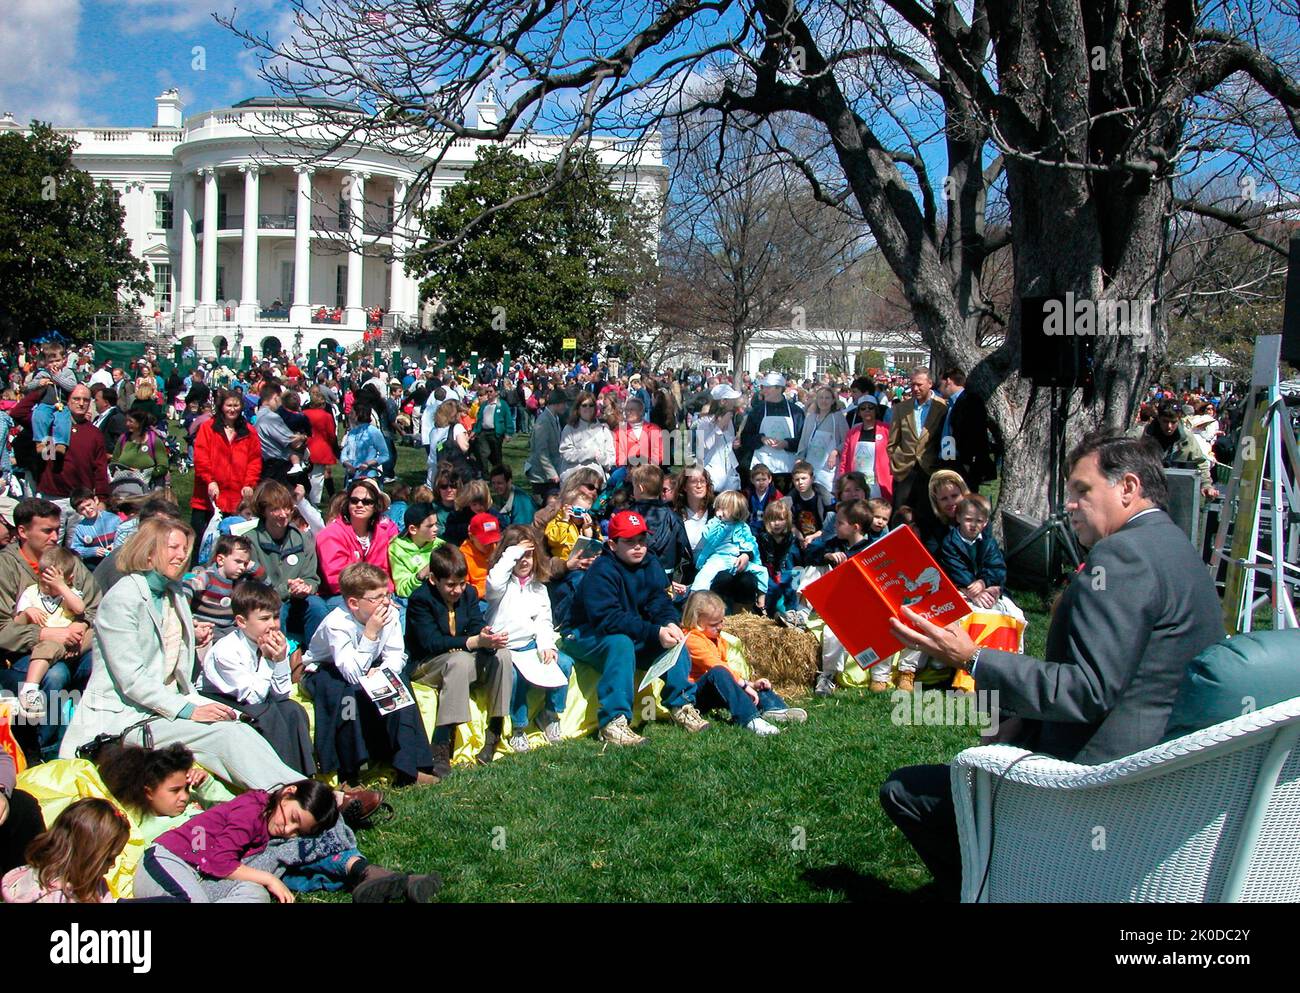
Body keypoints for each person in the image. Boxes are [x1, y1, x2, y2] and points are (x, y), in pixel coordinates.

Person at [879, 432, 1226, 898]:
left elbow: (1087, 691)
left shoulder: (1121, 555)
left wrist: (972, 656)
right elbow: (1124, 677)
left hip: (1093, 788)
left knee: (904, 790)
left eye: (1083, 491)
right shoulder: (1177, 547)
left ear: (1127, 487)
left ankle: (994, 887)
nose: (1070, 506)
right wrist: (1019, 717)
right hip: (1160, 777)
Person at [59, 517, 307, 791]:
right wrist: (190, 710)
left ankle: (298, 790)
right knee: (224, 735)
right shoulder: (123, 598)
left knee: (238, 727)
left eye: (184, 548)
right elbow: (132, 680)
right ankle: (296, 796)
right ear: (149, 551)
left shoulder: (173, 593)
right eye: (173, 548)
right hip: (128, 715)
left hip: (169, 703)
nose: (181, 555)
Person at [561, 510, 710, 747]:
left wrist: (669, 622)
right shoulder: (601, 571)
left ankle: (681, 705)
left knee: (676, 640)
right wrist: (653, 632)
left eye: (641, 540)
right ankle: (613, 722)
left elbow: (658, 601)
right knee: (621, 642)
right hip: (583, 632)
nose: (638, 547)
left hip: (626, 628)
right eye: (629, 541)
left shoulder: (649, 562)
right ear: (612, 544)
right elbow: (608, 619)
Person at [302, 563, 437, 788]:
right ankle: (350, 772)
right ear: (354, 603)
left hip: (371, 664)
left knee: (398, 682)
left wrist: (385, 671)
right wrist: (371, 633)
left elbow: (396, 655)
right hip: (327, 669)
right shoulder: (337, 624)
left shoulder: (389, 613)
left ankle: (409, 766)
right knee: (344, 694)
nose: (385, 601)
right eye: (376, 597)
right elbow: (351, 673)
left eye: (386, 594)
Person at [405, 544, 515, 775]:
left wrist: (486, 636)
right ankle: (442, 743)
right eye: (451, 585)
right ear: (434, 579)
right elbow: (430, 642)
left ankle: (495, 730)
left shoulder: (469, 594)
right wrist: (473, 642)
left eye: (462, 583)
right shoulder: (420, 600)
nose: (458, 590)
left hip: (461, 657)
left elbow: (474, 623)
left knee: (503, 655)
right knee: (460, 661)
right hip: (428, 664)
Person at [0, 499, 100, 752]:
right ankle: (45, 749)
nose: (55, 536)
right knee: (56, 676)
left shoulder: (67, 561)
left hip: (75, 647)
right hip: (19, 655)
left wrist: (79, 636)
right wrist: (45, 633)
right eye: (47, 531)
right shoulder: (6, 567)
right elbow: (2, 630)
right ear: (22, 532)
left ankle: (89, 739)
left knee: (101, 662)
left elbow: (96, 609)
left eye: (57, 529)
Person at [133, 780, 338, 903]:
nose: (287, 829)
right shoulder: (251, 811)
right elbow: (220, 862)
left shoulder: (272, 821)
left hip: (197, 879)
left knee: (255, 894)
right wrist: (269, 879)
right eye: (293, 818)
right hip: (166, 861)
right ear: (288, 792)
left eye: (298, 831)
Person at [200, 581, 316, 776]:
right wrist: (269, 661)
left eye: (276, 617)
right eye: (264, 618)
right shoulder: (226, 651)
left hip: (257, 699)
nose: (272, 625)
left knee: (292, 709)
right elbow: (252, 698)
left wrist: (279, 660)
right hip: (223, 700)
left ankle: (304, 774)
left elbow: (282, 693)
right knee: (267, 715)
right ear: (242, 621)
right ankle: (279, 778)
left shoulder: (277, 644)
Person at [484, 526, 574, 754]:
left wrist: (546, 645)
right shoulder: (500, 587)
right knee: (515, 677)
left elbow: (544, 621)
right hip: (505, 648)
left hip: (531, 645)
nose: (524, 561)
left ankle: (550, 714)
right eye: (519, 555)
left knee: (563, 663)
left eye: (528, 555)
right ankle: (518, 727)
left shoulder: (538, 588)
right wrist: (513, 552)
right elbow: (494, 581)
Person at [681, 591, 807, 736]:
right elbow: (716, 666)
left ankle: (775, 709)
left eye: (722, 621)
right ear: (696, 623)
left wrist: (751, 684)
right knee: (720, 672)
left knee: (754, 685)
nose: (721, 626)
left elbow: (728, 674)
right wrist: (745, 685)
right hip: (694, 696)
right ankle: (750, 719)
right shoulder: (691, 639)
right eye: (714, 624)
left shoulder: (717, 638)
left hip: (714, 688)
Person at [11, 383, 111, 540]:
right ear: (67, 401)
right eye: (76, 399)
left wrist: (102, 499)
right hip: (51, 498)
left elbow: (100, 469)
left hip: (81, 503)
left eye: (85, 399)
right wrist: (43, 390)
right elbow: (18, 412)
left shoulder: (94, 433)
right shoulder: (49, 425)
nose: (81, 403)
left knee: (76, 551)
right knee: (48, 548)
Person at [811, 500, 887, 697]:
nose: (835, 526)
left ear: (855, 527)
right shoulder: (835, 544)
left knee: (883, 627)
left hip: (866, 605)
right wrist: (827, 555)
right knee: (832, 632)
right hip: (840, 605)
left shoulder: (872, 549)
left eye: (839, 523)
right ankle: (827, 676)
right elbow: (809, 552)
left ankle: (880, 676)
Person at [11, 546, 89, 722]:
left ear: (69, 580)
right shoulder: (31, 593)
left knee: (91, 640)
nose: (46, 587)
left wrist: (61, 587)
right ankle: (30, 690)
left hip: (68, 643)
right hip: (41, 643)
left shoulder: (69, 593)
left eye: (51, 584)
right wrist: (27, 612)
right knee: (49, 650)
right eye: (43, 581)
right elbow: (16, 625)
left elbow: (79, 608)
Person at [2, 797, 129, 904]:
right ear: (84, 854)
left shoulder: (92, 883)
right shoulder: (50, 897)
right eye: (108, 859)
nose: (113, 865)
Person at [191, 389, 262, 552]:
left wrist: (249, 484)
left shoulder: (249, 431)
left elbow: (254, 460)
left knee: (233, 546)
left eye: (236, 405)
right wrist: (210, 481)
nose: (232, 409)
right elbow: (201, 458)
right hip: (207, 498)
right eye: (229, 405)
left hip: (237, 498)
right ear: (221, 406)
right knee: (201, 545)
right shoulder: (208, 428)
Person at [316, 478, 398, 599]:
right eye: (354, 501)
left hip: (378, 595)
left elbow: (383, 572)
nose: (359, 505)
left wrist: (384, 594)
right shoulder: (331, 534)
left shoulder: (380, 534)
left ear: (375, 506)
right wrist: (371, 596)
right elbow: (336, 579)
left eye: (366, 502)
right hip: (340, 596)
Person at [887, 367, 948, 530]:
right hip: (905, 470)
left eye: (919, 385)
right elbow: (892, 441)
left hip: (930, 470)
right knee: (901, 516)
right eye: (913, 384)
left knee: (929, 516)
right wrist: (895, 462)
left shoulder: (943, 407)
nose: (915, 388)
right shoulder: (901, 408)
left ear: (930, 383)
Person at [690, 490, 769, 613]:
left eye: (724, 508)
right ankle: (695, 601)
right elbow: (708, 536)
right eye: (718, 507)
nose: (719, 511)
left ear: (736, 511)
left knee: (762, 572)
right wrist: (717, 520)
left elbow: (751, 543)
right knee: (706, 575)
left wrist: (746, 554)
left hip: (736, 560)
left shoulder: (743, 527)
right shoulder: (714, 523)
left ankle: (761, 602)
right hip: (718, 559)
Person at [1141, 398, 1220, 499]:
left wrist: (1206, 485)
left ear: (1179, 419)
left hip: (1177, 493)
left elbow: (1200, 462)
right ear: (1159, 418)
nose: (1169, 426)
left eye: (1173, 422)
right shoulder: (1143, 436)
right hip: (1149, 492)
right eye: (1165, 421)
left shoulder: (1187, 438)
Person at [739, 372, 804, 492]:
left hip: (786, 470)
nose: (763, 391)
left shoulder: (796, 412)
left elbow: (803, 441)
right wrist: (761, 439)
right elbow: (745, 438)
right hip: (761, 470)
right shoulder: (757, 412)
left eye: (768, 387)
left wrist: (787, 443)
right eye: (764, 388)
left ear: (779, 389)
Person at [935, 367, 995, 494]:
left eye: (940, 384)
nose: (938, 388)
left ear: (948, 381)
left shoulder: (970, 401)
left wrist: (967, 463)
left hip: (963, 465)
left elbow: (975, 434)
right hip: (948, 460)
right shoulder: (950, 405)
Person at [186, 534, 255, 638]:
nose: (242, 567)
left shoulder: (240, 581)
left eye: (245, 564)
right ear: (221, 560)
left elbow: (267, 583)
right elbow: (187, 587)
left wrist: (253, 566)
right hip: (206, 626)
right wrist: (187, 615)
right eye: (238, 562)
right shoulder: (207, 577)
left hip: (229, 629)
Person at [25, 339, 78, 461]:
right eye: (51, 361)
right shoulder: (43, 373)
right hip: (45, 403)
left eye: (58, 361)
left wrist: (57, 377)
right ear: (46, 362)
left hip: (61, 404)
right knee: (39, 416)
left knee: (62, 421)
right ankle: (41, 442)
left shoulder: (67, 372)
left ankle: (60, 444)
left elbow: (71, 386)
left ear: (64, 360)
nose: (54, 364)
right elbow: (29, 387)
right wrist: (39, 383)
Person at [837, 397, 894, 502]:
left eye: (870, 407)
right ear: (859, 412)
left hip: (879, 482)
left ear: (876, 410)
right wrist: (842, 479)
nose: (867, 410)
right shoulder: (852, 433)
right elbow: (845, 458)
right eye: (863, 408)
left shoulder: (887, 430)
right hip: (857, 483)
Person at [797, 385, 849, 494]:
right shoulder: (811, 417)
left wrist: (835, 452)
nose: (823, 401)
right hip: (811, 463)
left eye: (827, 398)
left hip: (828, 467)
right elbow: (804, 440)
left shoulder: (838, 417)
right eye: (821, 397)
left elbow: (847, 440)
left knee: (827, 496)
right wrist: (800, 458)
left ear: (833, 400)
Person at [694, 383, 743, 492]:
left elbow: (728, 445)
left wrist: (735, 444)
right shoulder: (704, 422)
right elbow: (703, 447)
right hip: (713, 477)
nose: (734, 402)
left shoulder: (730, 420)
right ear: (723, 402)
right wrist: (719, 427)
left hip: (729, 477)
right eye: (731, 399)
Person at [254, 384, 305, 487]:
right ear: (275, 397)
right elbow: (294, 443)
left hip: (266, 465)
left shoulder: (259, 415)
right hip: (277, 467)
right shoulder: (271, 417)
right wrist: (303, 437)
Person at [558, 391, 616, 481]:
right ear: (578, 407)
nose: (588, 408)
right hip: (574, 478)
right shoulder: (569, 429)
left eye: (591, 405)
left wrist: (602, 459)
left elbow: (611, 457)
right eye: (584, 405)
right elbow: (565, 453)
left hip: (597, 479)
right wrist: (589, 453)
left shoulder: (603, 430)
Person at [523, 388, 569, 500]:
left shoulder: (555, 418)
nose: (566, 407)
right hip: (541, 476)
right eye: (564, 403)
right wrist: (551, 473)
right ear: (556, 403)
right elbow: (541, 450)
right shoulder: (543, 421)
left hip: (552, 473)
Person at [112, 408, 171, 493]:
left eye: (130, 421)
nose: (127, 424)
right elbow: (114, 461)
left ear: (140, 423)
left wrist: (147, 473)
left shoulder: (154, 441)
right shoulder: (123, 439)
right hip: (122, 489)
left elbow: (163, 466)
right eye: (126, 421)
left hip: (147, 490)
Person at [758, 501, 800, 621]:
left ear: (787, 520)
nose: (776, 523)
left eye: (780, 519)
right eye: (772, 520)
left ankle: (792, 613)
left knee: (793, 582)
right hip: (768, 570)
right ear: (766, 521)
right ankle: (769, 613)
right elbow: (762, 559)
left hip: (785, 570)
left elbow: (793, 559)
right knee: (772, 588)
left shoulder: (790, 537)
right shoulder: (762, 537)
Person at [303, 387, 340, 505]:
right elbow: (331, 435)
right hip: (321, 449)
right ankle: (314, 503)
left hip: (305, 448)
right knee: (317, 479)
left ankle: (306, 500)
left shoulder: (304, 414)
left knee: (305, 476)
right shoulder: (326, 416)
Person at [340, 401, 390, 485]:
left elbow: (385, 455)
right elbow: (344, 453)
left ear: (359, 414)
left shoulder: (373, 432)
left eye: (352, 413)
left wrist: (368, 464)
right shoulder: (352, 432)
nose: (349, 415)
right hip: (351, 476)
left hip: (368, 476)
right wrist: (347, 463)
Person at [472, 381, 515, 477]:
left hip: (496, 433)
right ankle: (485, 474)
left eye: (491, 391)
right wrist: (475, 431)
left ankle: (499, 474)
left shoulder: (502, 405)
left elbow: (508, 418)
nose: (489, 394)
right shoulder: (484, 405)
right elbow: (479, 419)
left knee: (496, 456)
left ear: (496, 393)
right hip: (483, 432)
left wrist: (509, 433)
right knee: (483, 453)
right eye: (487, 392)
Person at [69, 489, 118, 567]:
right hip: (94, 567)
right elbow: (75, 549)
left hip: (115, 562)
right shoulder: (80, 528)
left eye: (89, 505)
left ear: (96, 500)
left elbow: (125, 536)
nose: (88, 510)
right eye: (82, 509)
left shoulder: (113, 518)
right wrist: (92, 551)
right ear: (78, 512)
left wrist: (115, 544)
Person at [460, 511, 502, 599]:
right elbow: (464, 588)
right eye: (485, 541)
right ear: (471, 536)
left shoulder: (495, 548)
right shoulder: (462, 556)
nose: (489, 545)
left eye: (492, 541)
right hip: (479, 598)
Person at [674, 465, 715, 550]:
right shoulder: (675, 516)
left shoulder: (716, 512)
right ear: (684, 487)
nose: (699, 486)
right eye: (693, 482)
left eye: (703, 481)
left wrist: (746, 553)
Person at [489, 463, 538, 528]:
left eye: (499, 483)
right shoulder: (501, 498)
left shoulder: (522, 503)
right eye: (493, 483)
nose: (495, 487)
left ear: (509, 481)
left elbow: (520, 530)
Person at [744, 463, 782, 534]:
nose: (761, 483)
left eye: (764, 479)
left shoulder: (776, 495)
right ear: (752, 480)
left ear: (770, 479)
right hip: (751, 526)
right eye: (758, 480)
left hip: (769, 527)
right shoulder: (747, 494)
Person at [91, 386, 128, 457]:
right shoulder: (97, 418)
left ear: (106, 402)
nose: (94, 402)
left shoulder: (117, 418)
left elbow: (121, 443)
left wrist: (111, 455)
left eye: (96, 400)